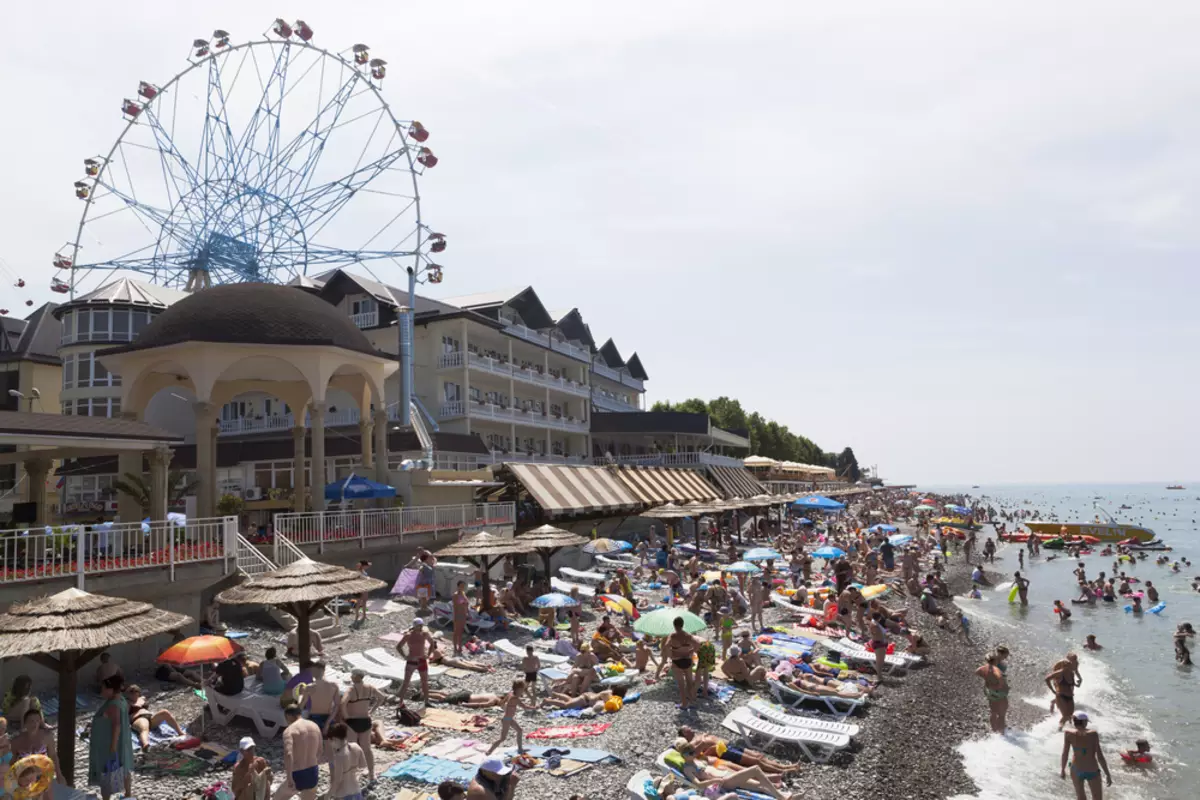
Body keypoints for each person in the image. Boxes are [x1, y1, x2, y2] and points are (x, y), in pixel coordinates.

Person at [671, 738, 794, 800]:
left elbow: (703, 749)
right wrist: (714, 781)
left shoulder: (695, 760)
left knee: (758, 786)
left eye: (693, 751)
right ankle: (781, 796)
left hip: (727, 774)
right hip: (724, 781)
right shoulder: (687, 768)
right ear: (683, 755)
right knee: (755, 769)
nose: (694, 753)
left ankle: (785, 796)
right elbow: (698, 784)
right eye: (690, 753)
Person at [677, 725, 799, 775]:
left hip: (729, 745)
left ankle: (786, 767)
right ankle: (783, 772)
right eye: (688, 730)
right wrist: (712, 748)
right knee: (756, 761)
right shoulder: (691, 745)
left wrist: (704, 736)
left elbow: (707, 737)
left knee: (759, 756)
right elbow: (699, 755)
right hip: (724, 751)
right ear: (684, 735)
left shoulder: (697, 736)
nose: (691, 729)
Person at [88, 675, 134, 800]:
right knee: (123, 766)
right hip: (121, 741)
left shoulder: (113, 705)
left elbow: (116, 725)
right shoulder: (122, 700)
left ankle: (106, 798)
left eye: (104, 688)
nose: (101, 691)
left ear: (111, 689)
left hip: (110, 743)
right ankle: (128, 794)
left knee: (107, 772)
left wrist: (113, 745)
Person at [341, 669, 384, 783]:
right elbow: (382, 697)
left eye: (352, 675)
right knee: (367, 749)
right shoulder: (370, 688)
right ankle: (371, 774)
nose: (350, 677)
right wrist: (372, 711)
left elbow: (342, 703)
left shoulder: (351, 690)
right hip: (365, 720)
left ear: (355, 677)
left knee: (352, 749)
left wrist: (346, 717)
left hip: (352, 722)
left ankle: (353, 775)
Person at [1061, 712, 1111, 798]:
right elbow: (1100, 756)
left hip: (1076, 770)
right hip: (1092, 770)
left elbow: (1065, 753)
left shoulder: (1068, 733)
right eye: (1086, 722)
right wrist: (1107, 774)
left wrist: (1062, 769)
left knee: (1080, 797)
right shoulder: (1093, 734)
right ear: (1084, 722)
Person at [277, 705, 322, 800]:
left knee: (278, 797)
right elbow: (320, 751)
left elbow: (289, 754)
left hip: (297, 773)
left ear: (288, 716)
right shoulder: (315, 726)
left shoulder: (289, 731)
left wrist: (289, 778)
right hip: (313, 771)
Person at [11, 709, 61, 787]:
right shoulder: (16, 741)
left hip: (43, 775)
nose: (34, 724)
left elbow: (53, 756)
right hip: (25, 778)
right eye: (31, 721)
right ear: (25, 723)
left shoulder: (47, 736)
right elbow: (12, 761)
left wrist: (59, 774)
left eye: (37, 721)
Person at [397, 618, 437, 706]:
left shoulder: (424, 634)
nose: (421, 627)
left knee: (424, 682)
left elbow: (432, 644)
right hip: (411, 660)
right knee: (406, 682)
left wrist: (429, 654)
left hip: (422, 660)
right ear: (415, 626)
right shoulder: (408, 635)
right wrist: (404, 656)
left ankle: (427, 701)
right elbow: (399, 646)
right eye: (419, 625)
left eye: (421, 625)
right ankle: (400, 702)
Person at [663, 616, 698, 710]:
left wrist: (671, 655)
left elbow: (666, 646)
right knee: (690, 681)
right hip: (687, 659)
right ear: (683, 625)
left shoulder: (672, 635)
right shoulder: (688, 635)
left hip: (677, 660)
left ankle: (684, 704)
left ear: (674, 625)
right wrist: (691, 652)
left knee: (681, 684)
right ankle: (692, 701)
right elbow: (697, 644)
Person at [327, 722, 368, 800]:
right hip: (356, 792)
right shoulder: (356, 747)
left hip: (342, 795)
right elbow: (363, 766)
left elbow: (337, 781)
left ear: (334, 739)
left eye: (330, 742)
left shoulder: (339, 756)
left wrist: (328, 795)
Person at [1046, 653, 1082, 730]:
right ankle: (1058, 727)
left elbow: (1076, 672)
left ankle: (1069, 726)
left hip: (1069, 694)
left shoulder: (1072, 670)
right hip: (1060, 688)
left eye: (1075, 659)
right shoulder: (1061, 666)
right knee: (1065, 714)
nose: (1074, 662)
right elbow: (1050, 677)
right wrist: (1053, 689)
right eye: (1073, 659)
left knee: (1070, 714)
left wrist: (1079, 681)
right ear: (1068, 659)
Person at [975, 653, 1008, 733]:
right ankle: (1002, 733)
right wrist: (998, 686)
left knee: (993, 711)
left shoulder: (983, 668)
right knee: (1002, 713)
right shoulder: (996, 669)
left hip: (990, 693)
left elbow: (976, 672)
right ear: (995, 660)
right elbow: (999, 677)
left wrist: (987, 679)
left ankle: (994, 731)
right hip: (1000, 693)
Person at [304, 662, 339, 736]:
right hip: (328, 718)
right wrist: (327, 723)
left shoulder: (309, 687)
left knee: (315, 744)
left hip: (314, 717)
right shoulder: (334, 686)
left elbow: (302, 705)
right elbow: (336, 706)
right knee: (328, 743)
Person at [452, 580, 470, 656]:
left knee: (461, 632)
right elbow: (455, 607)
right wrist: (455, 617)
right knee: (456, 632)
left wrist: (468, 613)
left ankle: (459, 646)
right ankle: (455, 647)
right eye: (461, 586)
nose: (462, 587)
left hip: (463, 615)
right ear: (458, 586)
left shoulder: (463, 594)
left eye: (463, 586)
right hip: (458, 615)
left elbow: (467, 604)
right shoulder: (456, 595)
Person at [354, 560, 371, 626]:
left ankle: (364, 615)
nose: (367, 567)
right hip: (360, 589)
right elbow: (359, 580)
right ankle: (357, 616)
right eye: (367, 565)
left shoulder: (363, 571)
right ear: (364, 566)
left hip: (365, 588)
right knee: (358, 603)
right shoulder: (358, 572)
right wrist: (367, 578)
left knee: (364, 602)